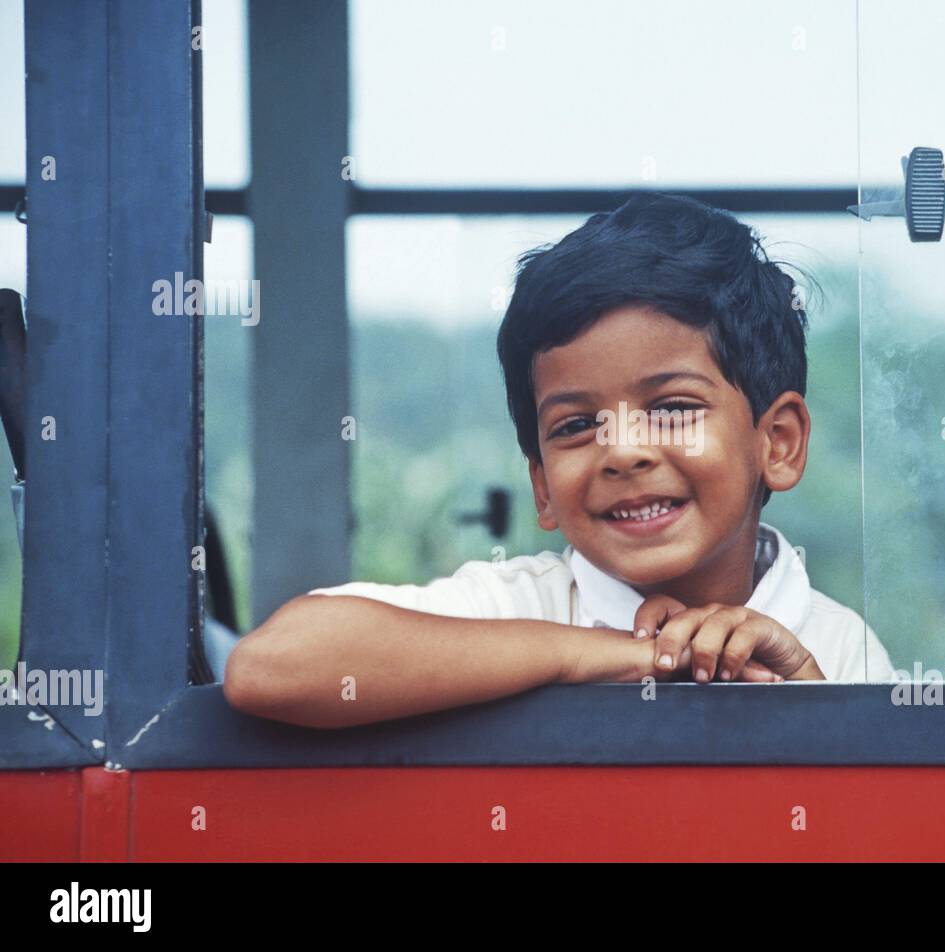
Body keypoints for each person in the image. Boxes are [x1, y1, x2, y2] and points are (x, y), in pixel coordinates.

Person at [223, 192, 892, 728]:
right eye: (576, 425)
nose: (623, 450)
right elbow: (272, 665)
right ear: (542, 487)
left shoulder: (837, 648)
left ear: (777, 443)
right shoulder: (518, 606)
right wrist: (600, 656)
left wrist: (810, 702)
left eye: (672, 408)